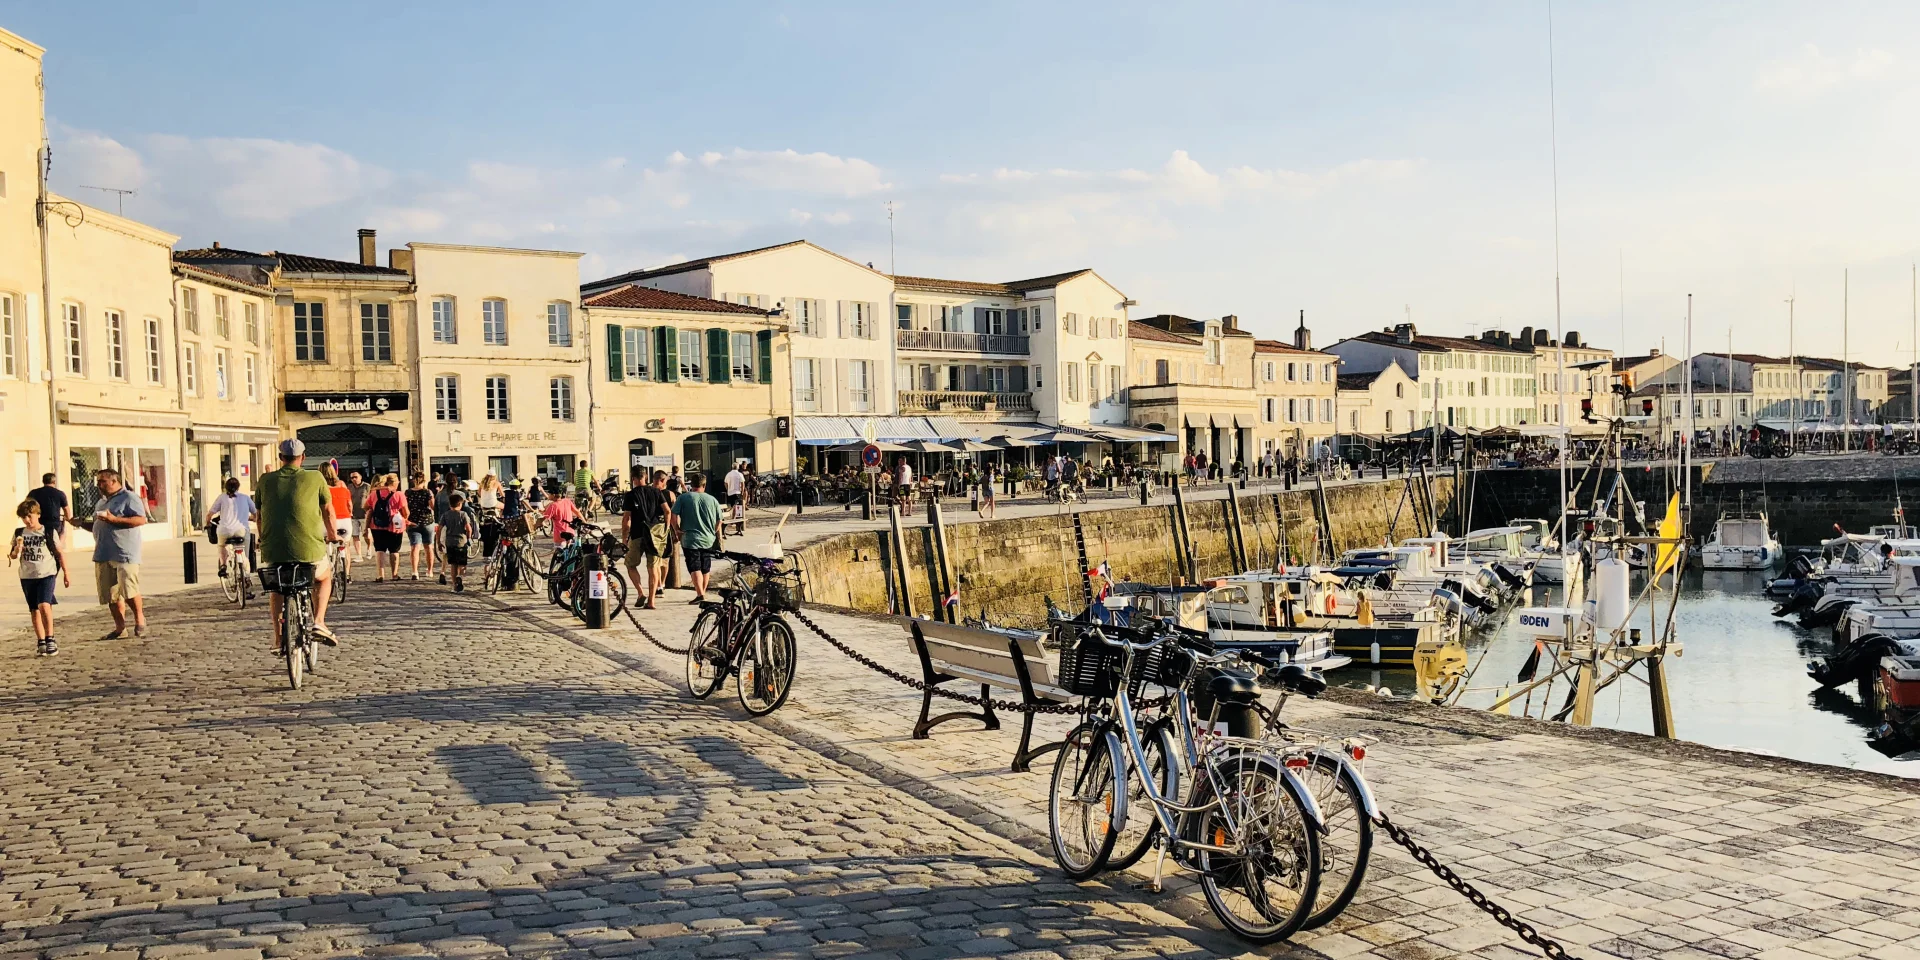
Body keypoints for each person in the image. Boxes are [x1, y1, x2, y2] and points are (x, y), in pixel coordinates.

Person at [255, 439, 339, 648]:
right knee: (324, 577)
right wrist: (332, 535)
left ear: (280, 458)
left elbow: (259, 516)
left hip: (274, 550)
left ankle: (278, 639)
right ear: (303, 457)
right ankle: (319, 621)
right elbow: (328, 511)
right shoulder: (315, 477)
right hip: (309, 549)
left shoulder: (265, 480)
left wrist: (263, 538)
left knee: (277, 588)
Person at [70, 468, 148, 640]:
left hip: (124, 552)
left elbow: (141, 519)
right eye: (98, 481)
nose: (99, 485)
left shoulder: (129, 498)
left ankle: (139, 619)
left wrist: (115, 520)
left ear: (114, 481)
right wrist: (81, 524)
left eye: (102, 481)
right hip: (103, 552)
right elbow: (98, 525)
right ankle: (120, 628)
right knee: (111, 594)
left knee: (129, 589)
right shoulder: (101, 502)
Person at [12, 498, 69, 656]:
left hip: (46, 573)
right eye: (23, 517)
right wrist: (17, 549)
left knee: (44, 605)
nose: (27, 520)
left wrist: (66, 573)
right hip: (27, 575)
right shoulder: (19, 533)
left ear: (38, 514)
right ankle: (41, 641)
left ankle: (50, 638)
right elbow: (13, 555)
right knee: (34, 609)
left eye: (29, 516)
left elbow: (59, 553)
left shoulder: (48, 531)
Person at [622, 467, 672, 609]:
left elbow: (626, 519)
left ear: (633, 479)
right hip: (654, 534)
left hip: (637, 533)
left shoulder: (630, 495)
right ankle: (651, 601)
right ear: (646, 477)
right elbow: (667, 511)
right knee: (653, 568)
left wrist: (624, 539)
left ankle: (640, 592)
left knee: (630, 565)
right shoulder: (656, 492)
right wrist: (666, 529)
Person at [671, 472, 722, 602]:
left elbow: (673, 514)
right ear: (704, 485)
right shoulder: (712, 499)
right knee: (705, 567)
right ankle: (702, 592)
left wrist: (677, 529)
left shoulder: (683, 498)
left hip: (690, 538)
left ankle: (700, 594)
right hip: (708, 539)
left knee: (694, 566)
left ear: (691, 485)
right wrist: (713, 531)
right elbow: (719, 520)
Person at [205, 477, 258, 582]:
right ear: (238, 487)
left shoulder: (222, 497)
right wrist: (251, 518)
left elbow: (209, 515)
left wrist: (208, 523)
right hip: (241, 530)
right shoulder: (245, 498)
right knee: (245, 554)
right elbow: (256, 514)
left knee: (221, 546)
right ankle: (246, 576)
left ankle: (223, 565)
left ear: (226, 487)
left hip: (224, 530)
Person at [366, 474, 408, 582]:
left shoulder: (374, 493)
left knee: (380, 549)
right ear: (395, 482)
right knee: (394, 550)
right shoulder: (399, 494)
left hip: (376, 526)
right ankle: (394, 574)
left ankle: (380, 575)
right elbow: (406, 512)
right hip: (394, 526)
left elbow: (366, 507)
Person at [436, 490, 475, 592]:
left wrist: (439, 542)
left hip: (450, 542)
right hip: (461, 542)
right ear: (460, 504)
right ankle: (460, 576)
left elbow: (439, 529)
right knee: (462, 563)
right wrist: (469, 537)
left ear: (450, 504)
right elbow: (469, 528)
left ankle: (454, 585)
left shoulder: (445, 515)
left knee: (453, 564)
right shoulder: (463, 514)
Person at [404, 473, 436, 581]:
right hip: (427, 521)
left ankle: (415, 572)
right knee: (429, 547)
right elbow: (433, 506)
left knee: (415, 547)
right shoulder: (427, 492)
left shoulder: (408, 492)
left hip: (412, 522)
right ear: (424, 480)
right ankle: (430, 571)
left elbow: (404, 507)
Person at [28, 473, 69, 551]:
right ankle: (58, 553)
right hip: (54, 524)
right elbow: (67, 510)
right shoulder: (60, 493)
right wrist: (66, 518)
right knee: (56, 545)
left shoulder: (33, 493)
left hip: (39, 523)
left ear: (43, 481)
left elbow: (27, 506)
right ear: (54, 481)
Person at [322, 463, 353, 562]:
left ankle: (328, 560)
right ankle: (346, 570)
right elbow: (349, 505)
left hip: (326, 521)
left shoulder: (321, 488)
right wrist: (350, 513)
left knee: (323, 541)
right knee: (346, 545)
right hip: (345, 520)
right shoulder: (343, 488)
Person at [345, 470, 372, 561]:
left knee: (366, 535)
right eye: (352, 477)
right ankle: (359, 555)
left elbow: (371, 499)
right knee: (355, 535)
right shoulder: (349, 487)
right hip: (353, 515)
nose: (354, 479)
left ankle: (369, 548)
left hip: (364, 515)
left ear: (360, 477)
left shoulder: (367, 486)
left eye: (355, 477)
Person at [723, 461, 747, 527]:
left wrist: (728, 489)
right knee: (737, 507)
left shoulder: (728, 474)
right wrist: (742, 491)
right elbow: (742, 483)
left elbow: (725, 483)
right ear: (738, 467)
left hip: (730, 492)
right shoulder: (739, 474)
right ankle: (734, 520)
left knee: (733, 506)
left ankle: (734, 519)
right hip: (737, 492)